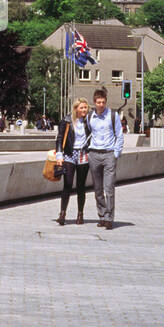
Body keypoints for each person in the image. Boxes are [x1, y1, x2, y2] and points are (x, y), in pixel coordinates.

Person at [85, 88, 124, 230]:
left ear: (106, 102)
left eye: (103, 102)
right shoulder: (90, 117)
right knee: (97, 189)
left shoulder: (113, 115)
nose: (101, 104)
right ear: (94, 103)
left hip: (109, 154)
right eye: (98, 102)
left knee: (109, 188)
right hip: (94, 154)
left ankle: (109, 218)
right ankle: (101, 215)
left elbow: (119, 135)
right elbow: (88, 133)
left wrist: (116, 153)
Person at [54, 98, 91, 225]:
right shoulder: (67, 120)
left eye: (85, 107)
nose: (84, 110)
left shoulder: (89, 121)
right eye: (81, 108)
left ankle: (80, 214)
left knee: (81, 186)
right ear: (76, 109)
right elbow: (59, 138)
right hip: (70, 154)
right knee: (68, 184)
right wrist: (59, 154)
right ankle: (62, 213)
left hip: (83, 154)